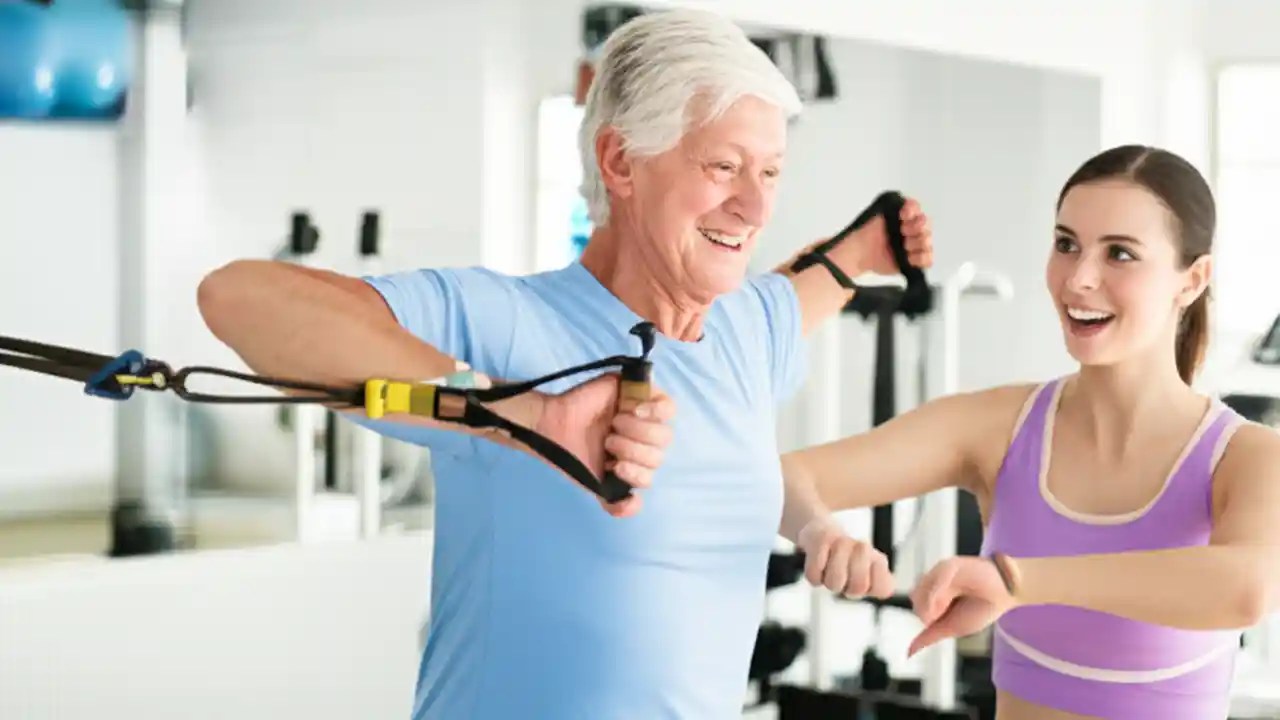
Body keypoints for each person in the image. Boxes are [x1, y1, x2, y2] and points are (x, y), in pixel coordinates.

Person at [195, 9, 934, 720]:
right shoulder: (508, 324)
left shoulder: (745, 330)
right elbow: (238, 299)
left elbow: (809, 285)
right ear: (620, 162)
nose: (753, 207)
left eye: (770, 172)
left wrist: (868, 248)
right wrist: (521, 415)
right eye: (723, 166)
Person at [781, 143, 1280, 719]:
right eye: (1067, 245)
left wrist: (1013, 581)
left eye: (1120, 254)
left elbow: (1248, 588)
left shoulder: (1246, 457)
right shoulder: (997, 427)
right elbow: (788, 477)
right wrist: (819, 531)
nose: (1079, 279)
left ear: (1191, 280)